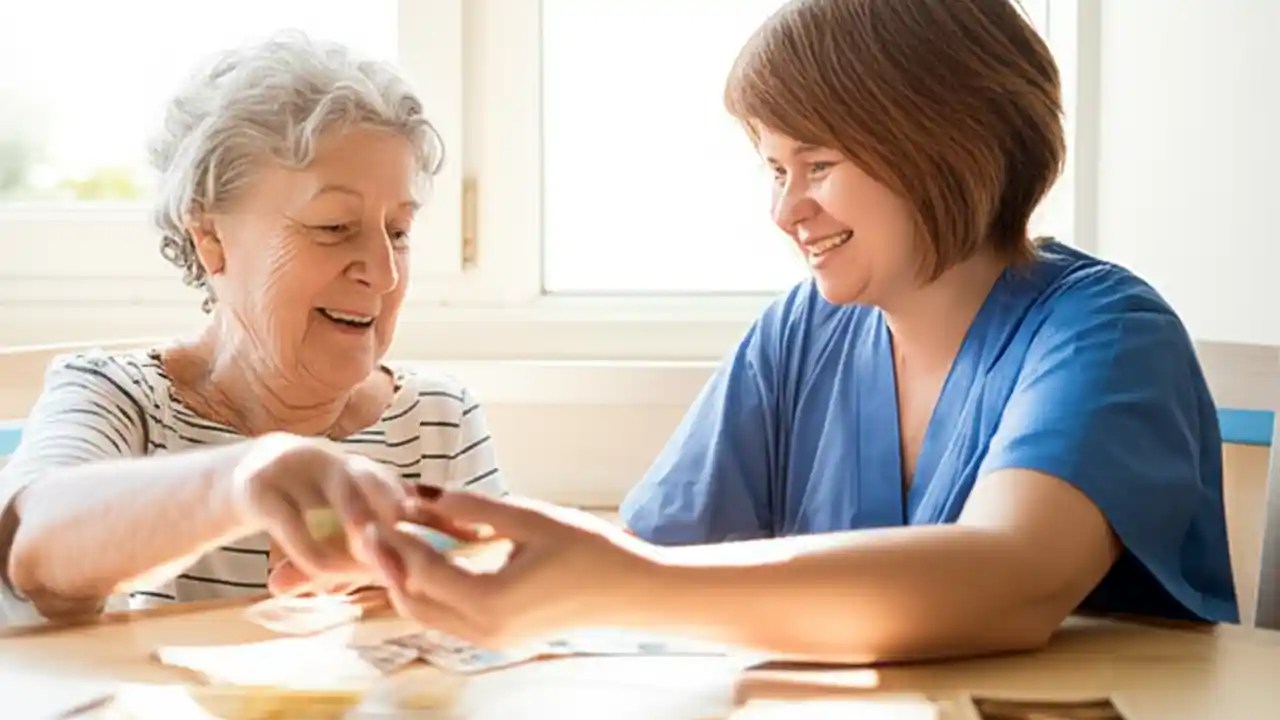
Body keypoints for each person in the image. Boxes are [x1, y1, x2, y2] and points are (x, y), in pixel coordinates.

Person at [364, 0, 1237, 663]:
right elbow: (654, 557)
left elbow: (1008, 581)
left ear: (947, 142)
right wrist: (446, 558)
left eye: (819, 165)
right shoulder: (802, 333)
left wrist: (620, 581)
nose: (786, 212)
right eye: (775, 170)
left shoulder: (1108, 336)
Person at [0, 33, 505, 623]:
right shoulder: (118, 397)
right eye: (334, 227)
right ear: (210, 238)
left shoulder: (438, 422)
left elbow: (493, 629)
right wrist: (241, 482)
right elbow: (34, 549)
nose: (384, 273)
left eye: (398, 231)